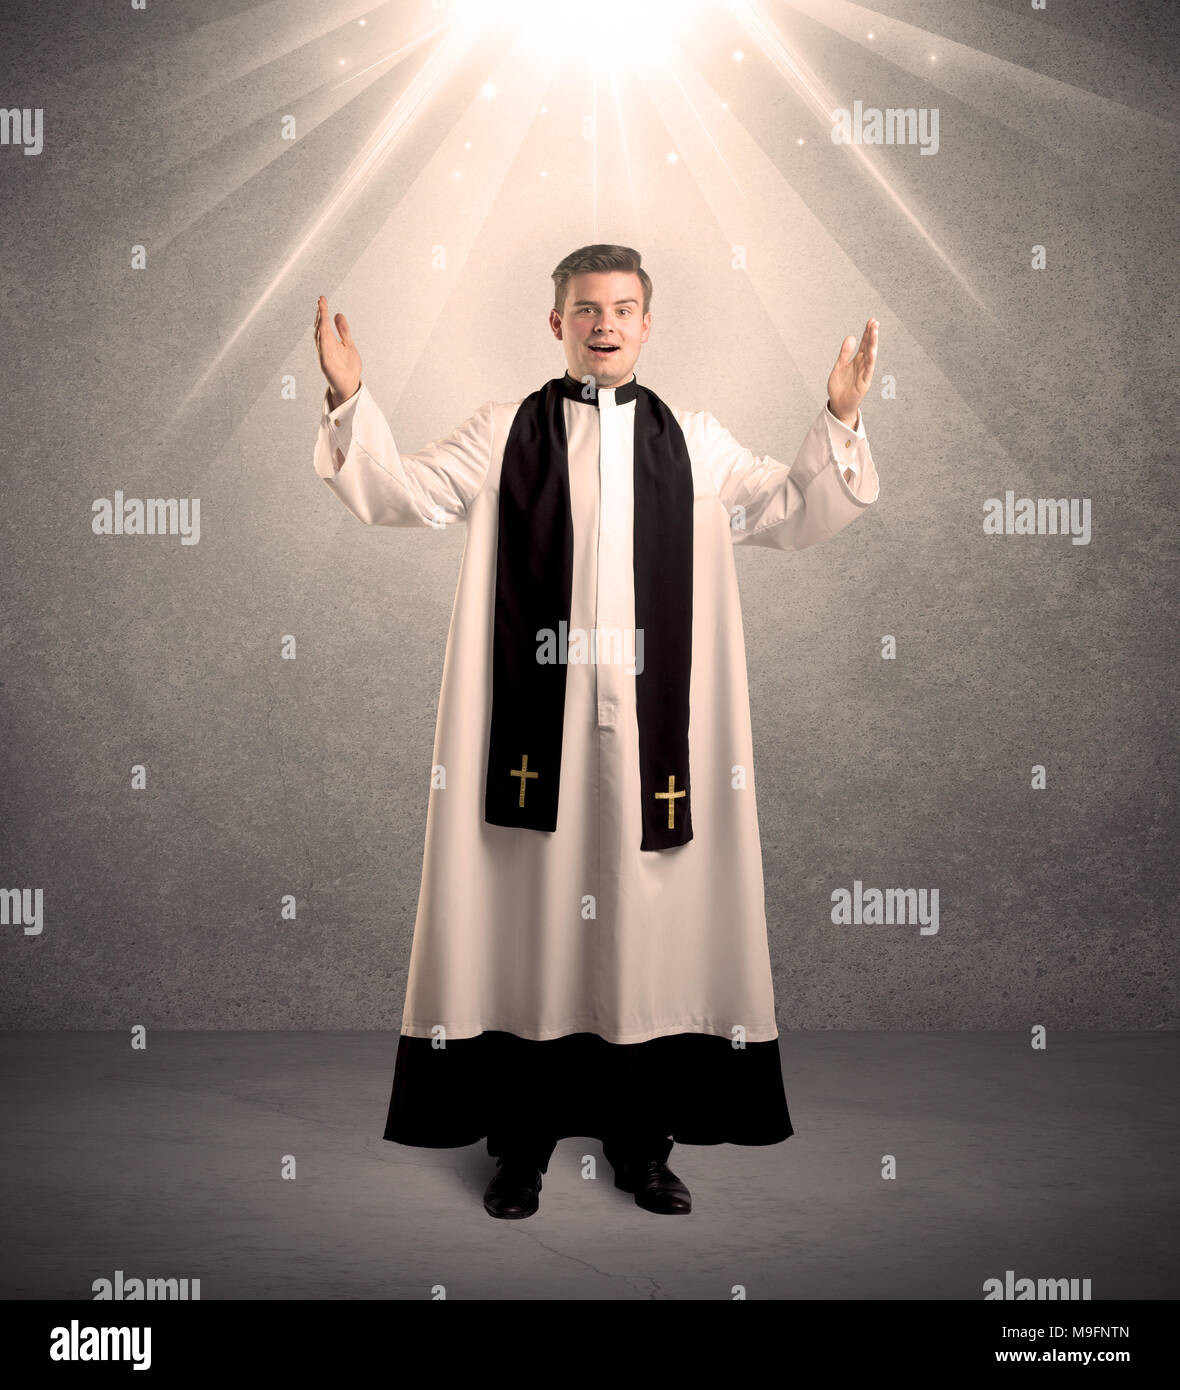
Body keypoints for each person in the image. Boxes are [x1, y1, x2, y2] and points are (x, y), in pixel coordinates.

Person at [312, 244, 880, 1219]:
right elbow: (400, 492)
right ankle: (519, 1146)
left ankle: (641, 1143)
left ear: (647, 323)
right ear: (556, 322)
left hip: (656, 749)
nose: (604, 323)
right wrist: (350, 399)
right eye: (585, 308)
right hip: (531, 747)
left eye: (622, 308)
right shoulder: (500, 435)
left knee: (643, 935)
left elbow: (792, 510)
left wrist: (838, 419)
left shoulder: (693, 443)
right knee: (528, 931)